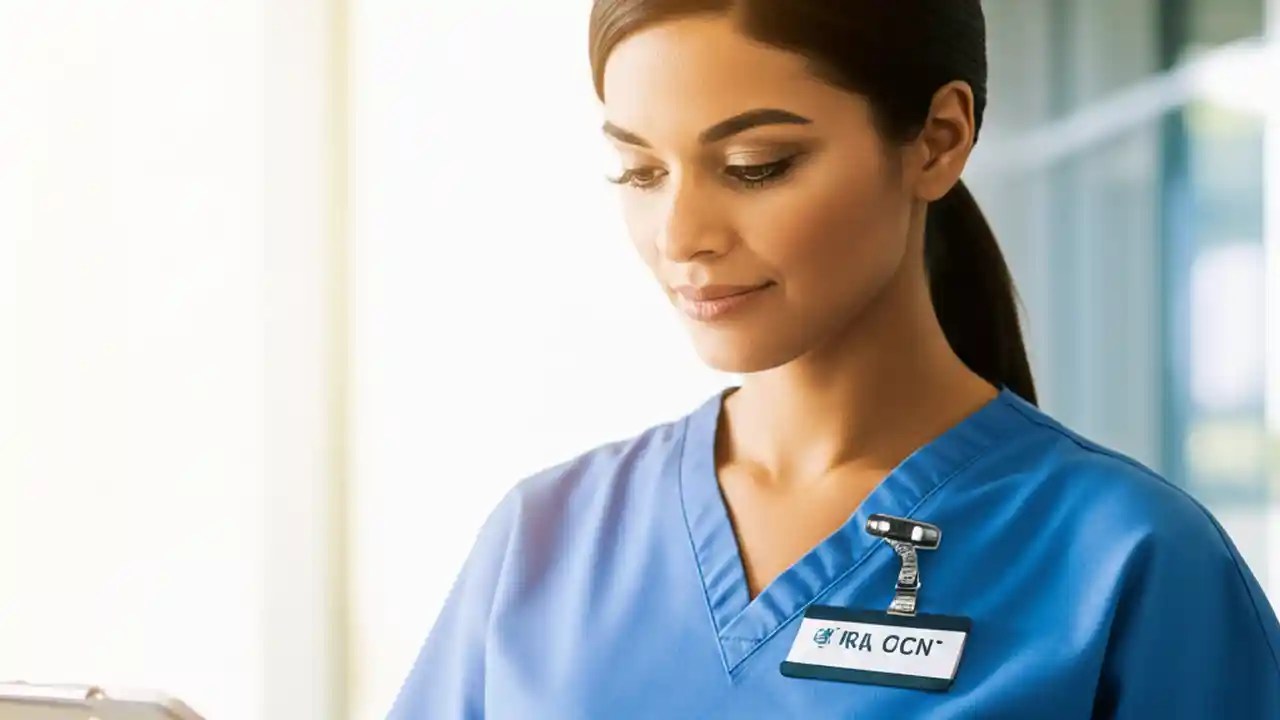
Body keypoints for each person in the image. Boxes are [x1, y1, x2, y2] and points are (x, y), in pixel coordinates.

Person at [388, 1, 1280, 717]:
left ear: (938, 139)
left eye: (754, 165)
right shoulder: (545, 541)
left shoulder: (1133, 563)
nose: (681, 237)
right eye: (640, 173)